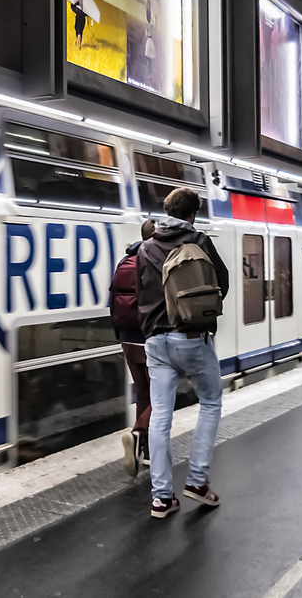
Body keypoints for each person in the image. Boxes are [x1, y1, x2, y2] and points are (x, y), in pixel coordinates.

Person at [136, 188, 229, 518]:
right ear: (193, 214)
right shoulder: (199, 241)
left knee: (161, 415)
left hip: (155, 341)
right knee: (210, 401)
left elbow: (140, 292)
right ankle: (197, 482)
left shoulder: (145, 247)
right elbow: (222, 284)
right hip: (190, 336)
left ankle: (161, 497)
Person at [109, 219, 157, 476]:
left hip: (127, 339)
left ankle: (146, 453)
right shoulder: (156, 261)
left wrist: (120, 335)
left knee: (143, 395)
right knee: (161, 396)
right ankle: (138, 434)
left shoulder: (124, 261)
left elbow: (112, 300)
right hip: (149, 338)